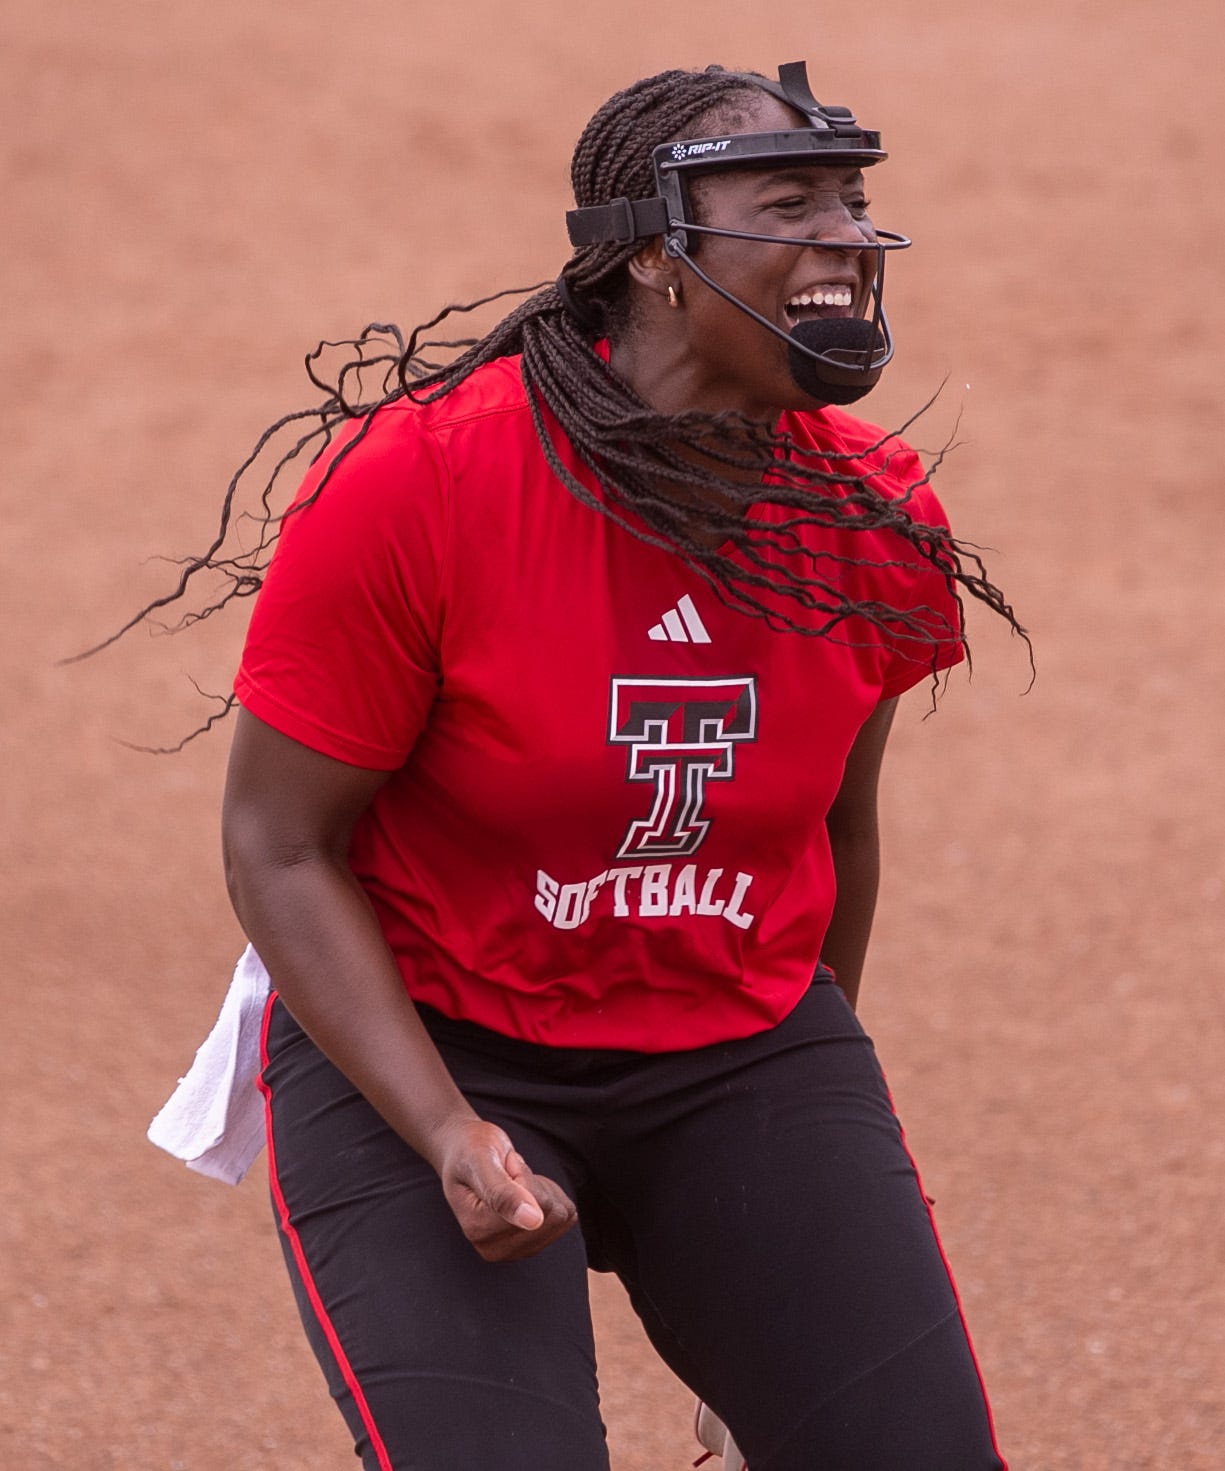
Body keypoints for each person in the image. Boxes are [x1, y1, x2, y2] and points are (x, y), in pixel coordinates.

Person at [178, 61, 1022, 1471]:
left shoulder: (871, 509)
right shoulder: (423, 485)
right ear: (649, 255)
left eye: (857, 203)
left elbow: (831, 832)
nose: (850, 236)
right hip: (436, 1029)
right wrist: (445, 1134)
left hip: (735, 1047)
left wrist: (781, 1251)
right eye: (792, 201)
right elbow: (280, 847)